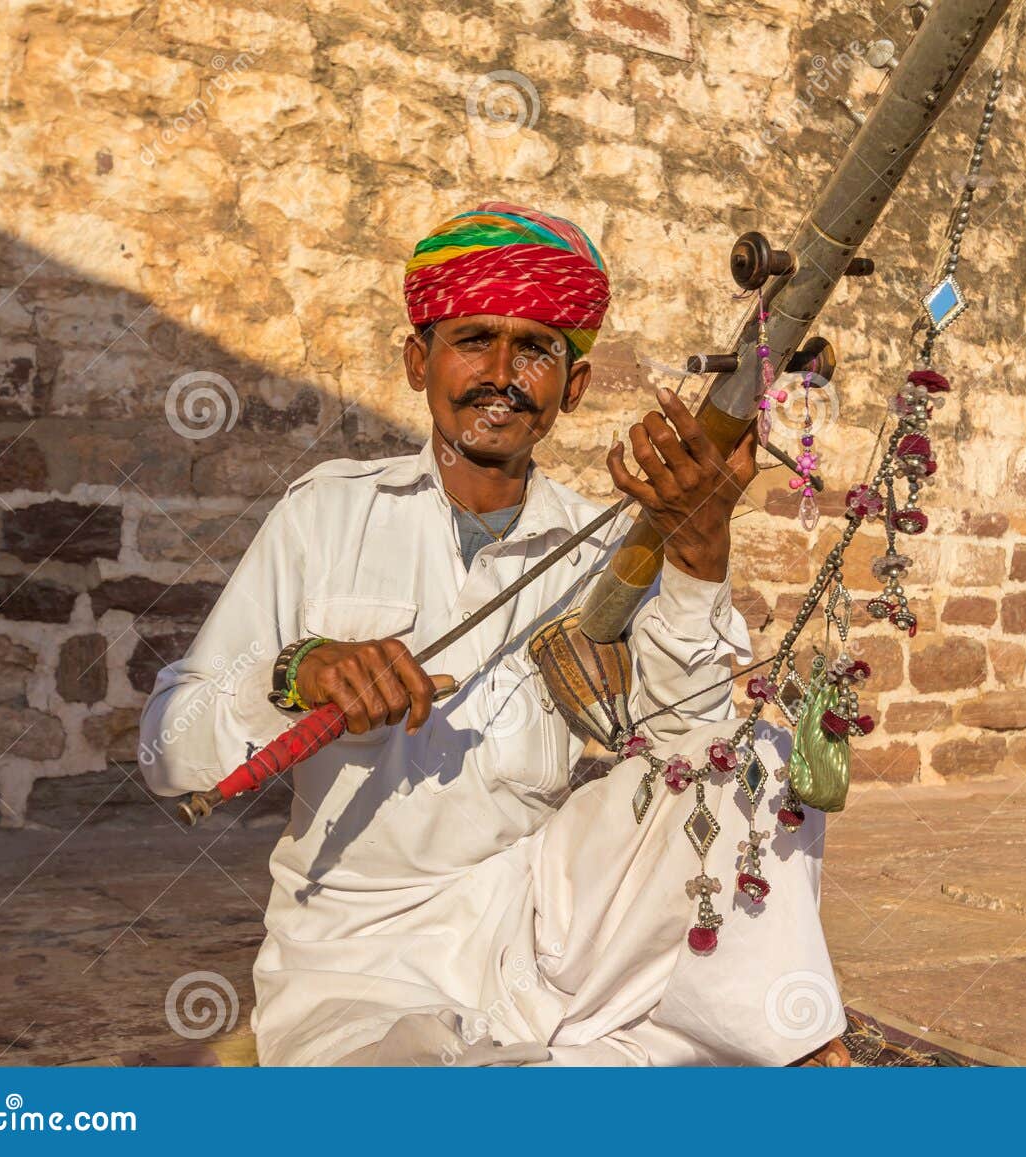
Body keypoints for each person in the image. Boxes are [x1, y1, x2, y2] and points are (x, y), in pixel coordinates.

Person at [139, 202, 847, 1066]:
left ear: (572, 387)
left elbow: (686, 748)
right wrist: (299, 673)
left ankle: (800, 1057)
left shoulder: (607, 546)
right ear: (417, 360)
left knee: (758, 762)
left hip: (538, 916)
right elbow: (169, 750)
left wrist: (699, 552)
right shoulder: (324, 514)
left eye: (538, 348)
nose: (503, 373)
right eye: (474, 339)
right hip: (359, 955)